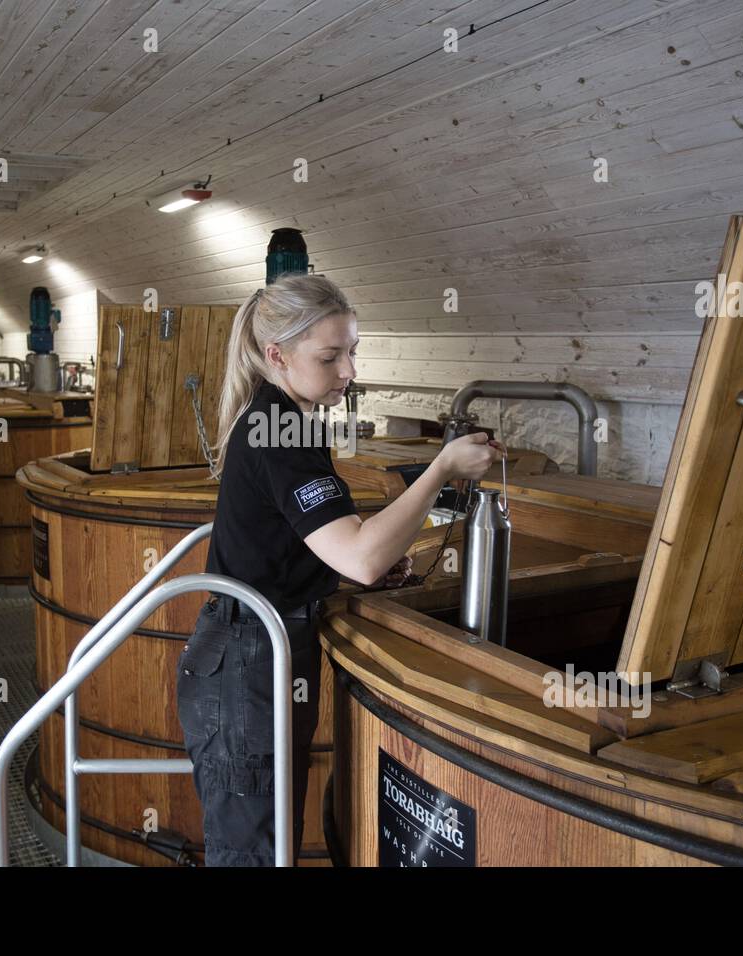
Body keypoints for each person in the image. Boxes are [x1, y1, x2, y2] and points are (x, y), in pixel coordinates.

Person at [175, 274, 500, 866]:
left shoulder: (284, 418)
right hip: (248, 662)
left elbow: (325, 548)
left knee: (270, 843)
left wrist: (344, 570)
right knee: (253, 853)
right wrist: (443, 468)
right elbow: (363, 555)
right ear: (277, 355)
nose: (349, 370)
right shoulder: (282, 433)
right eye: (331, 356)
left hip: (258, 651)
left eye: (353, 350)